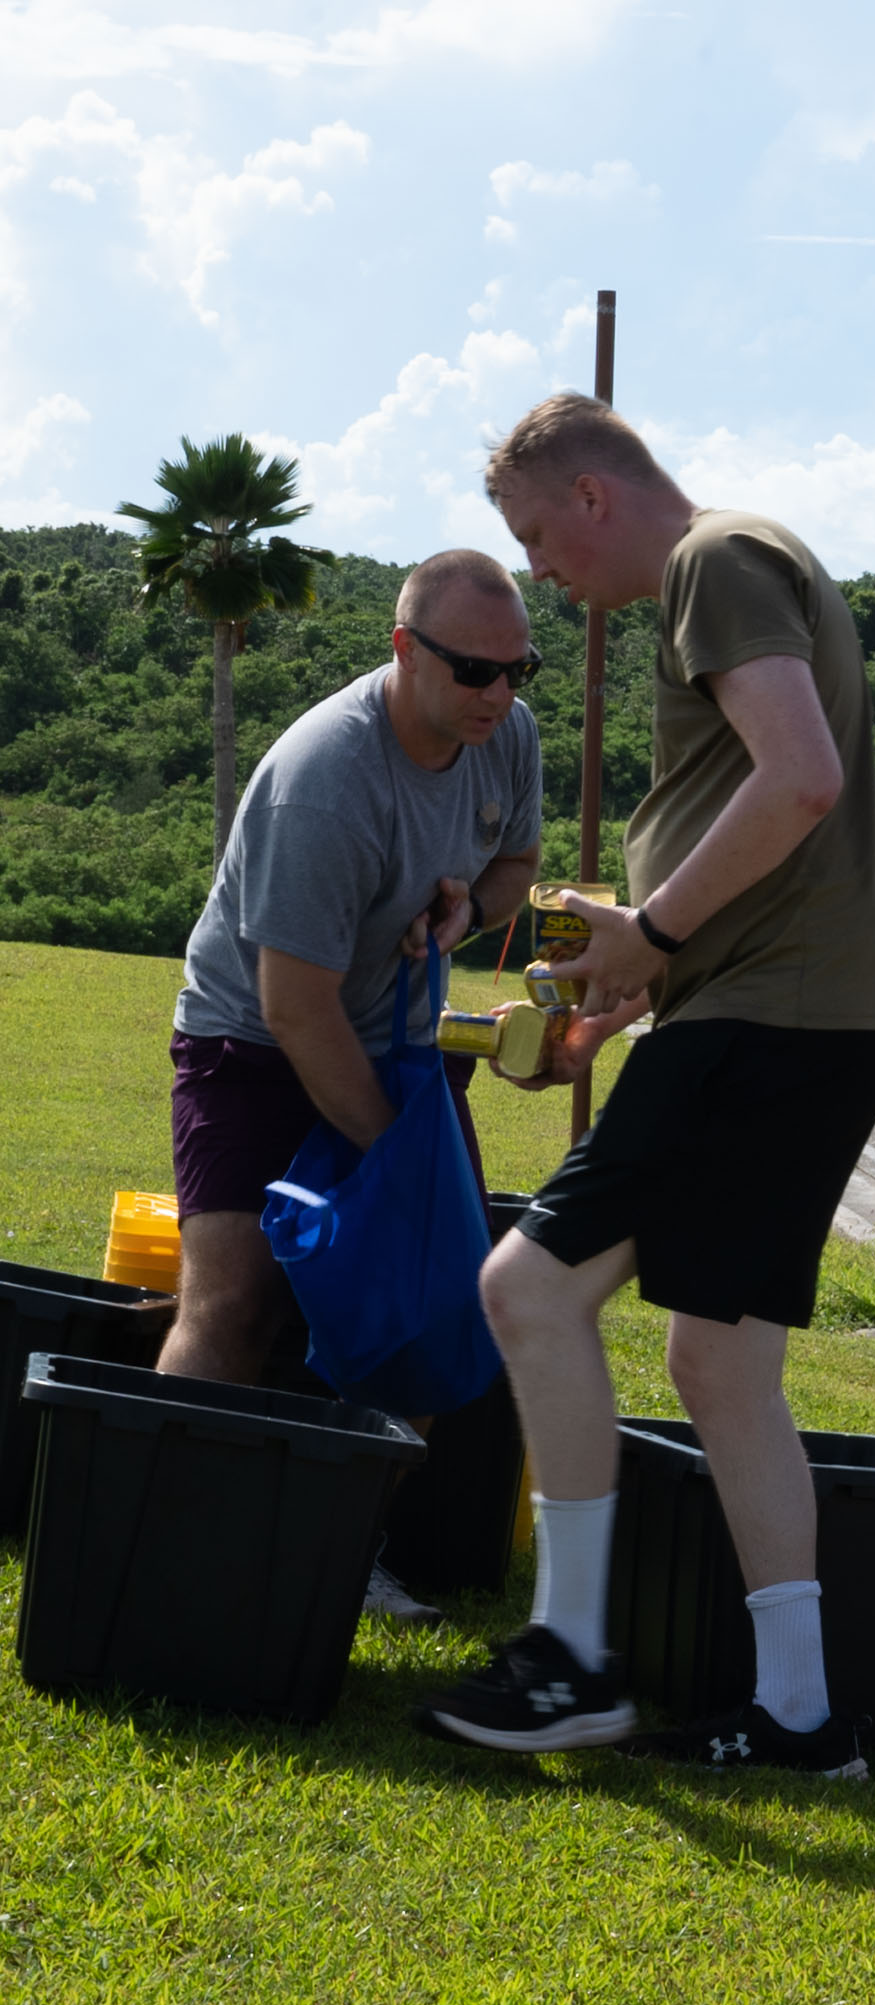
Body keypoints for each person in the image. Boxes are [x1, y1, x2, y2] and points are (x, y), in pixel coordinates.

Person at [412, 393, 875, 1775]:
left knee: (526, 1285)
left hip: (771, 1022)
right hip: (792, 1016)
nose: (550, 583)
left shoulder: (713, 561)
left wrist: (660, 935)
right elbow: (764, 813)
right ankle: (803, 1718)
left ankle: (572, 1656)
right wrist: (628, 973)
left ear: (589, 495)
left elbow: (798, 778)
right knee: (719, 1361)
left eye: (537, 540)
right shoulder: (753, 559)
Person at [162, 548, 546, 1623]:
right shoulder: (326, 775)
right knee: (232, 1298)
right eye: (472, 670)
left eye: (519, 669)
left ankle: (341, 1546)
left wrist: (467, 906)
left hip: (400, 1042)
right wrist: (395, 1163)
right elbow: (293, 1008)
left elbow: (516, 863)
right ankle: (162, 1523)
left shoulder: (504, 734)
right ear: (402, 650)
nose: (498, 694)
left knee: (423, 1303)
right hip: (250, 1045)